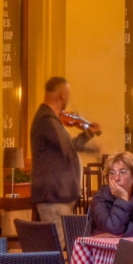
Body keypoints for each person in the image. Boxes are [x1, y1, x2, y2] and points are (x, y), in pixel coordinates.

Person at [30, 76, 94, 225]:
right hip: (54, 197)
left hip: (58, 196)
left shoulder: (51, 119)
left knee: (61, 238)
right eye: (68, 95)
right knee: (59, 238)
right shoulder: (46, 120)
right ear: (62, 95)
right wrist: (89, 137)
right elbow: (68, 147)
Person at [87, 151, 133, 236]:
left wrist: (124, 232)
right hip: (107, 245)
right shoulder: (100, 197)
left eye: (123, 172)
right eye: (112, 173)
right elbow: (113, 229)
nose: (116, 178)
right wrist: (122, 199)